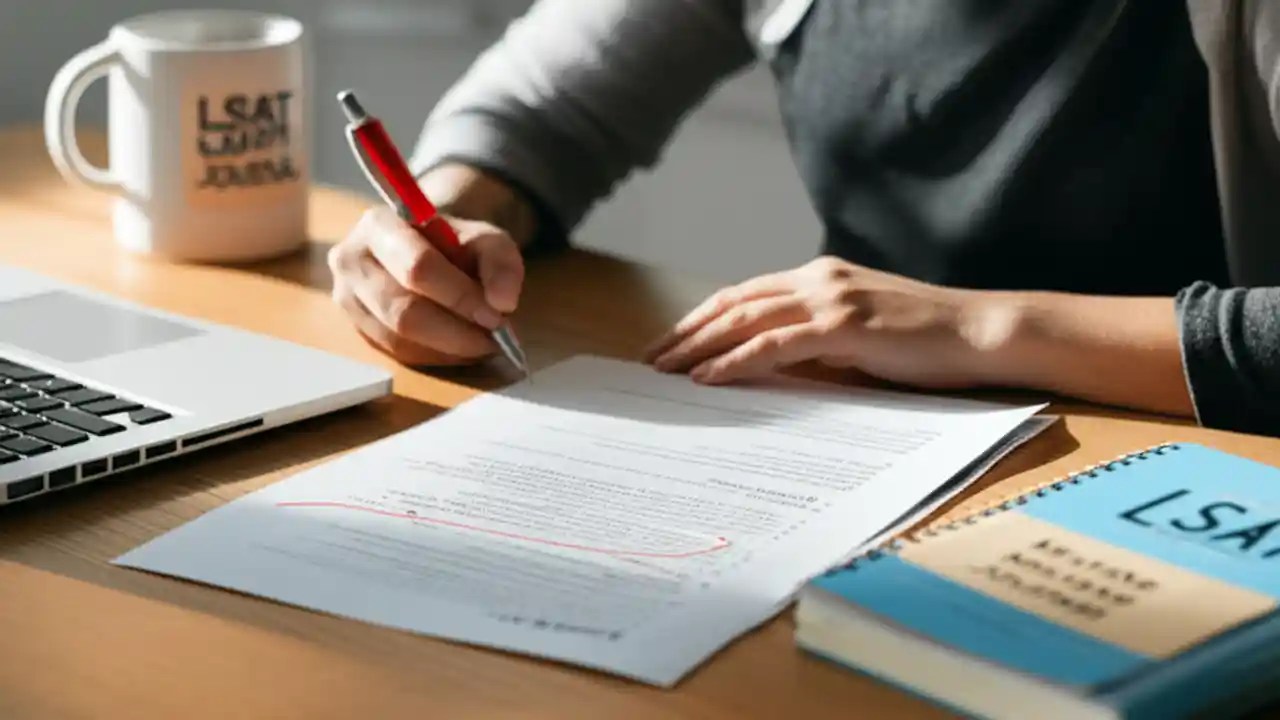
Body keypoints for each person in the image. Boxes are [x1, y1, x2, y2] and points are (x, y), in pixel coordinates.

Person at [328, 0, 1280, 436]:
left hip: (1187, 467)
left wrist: (977, 325)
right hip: (870, 450)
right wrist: (443, 222)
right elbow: (542, 111)